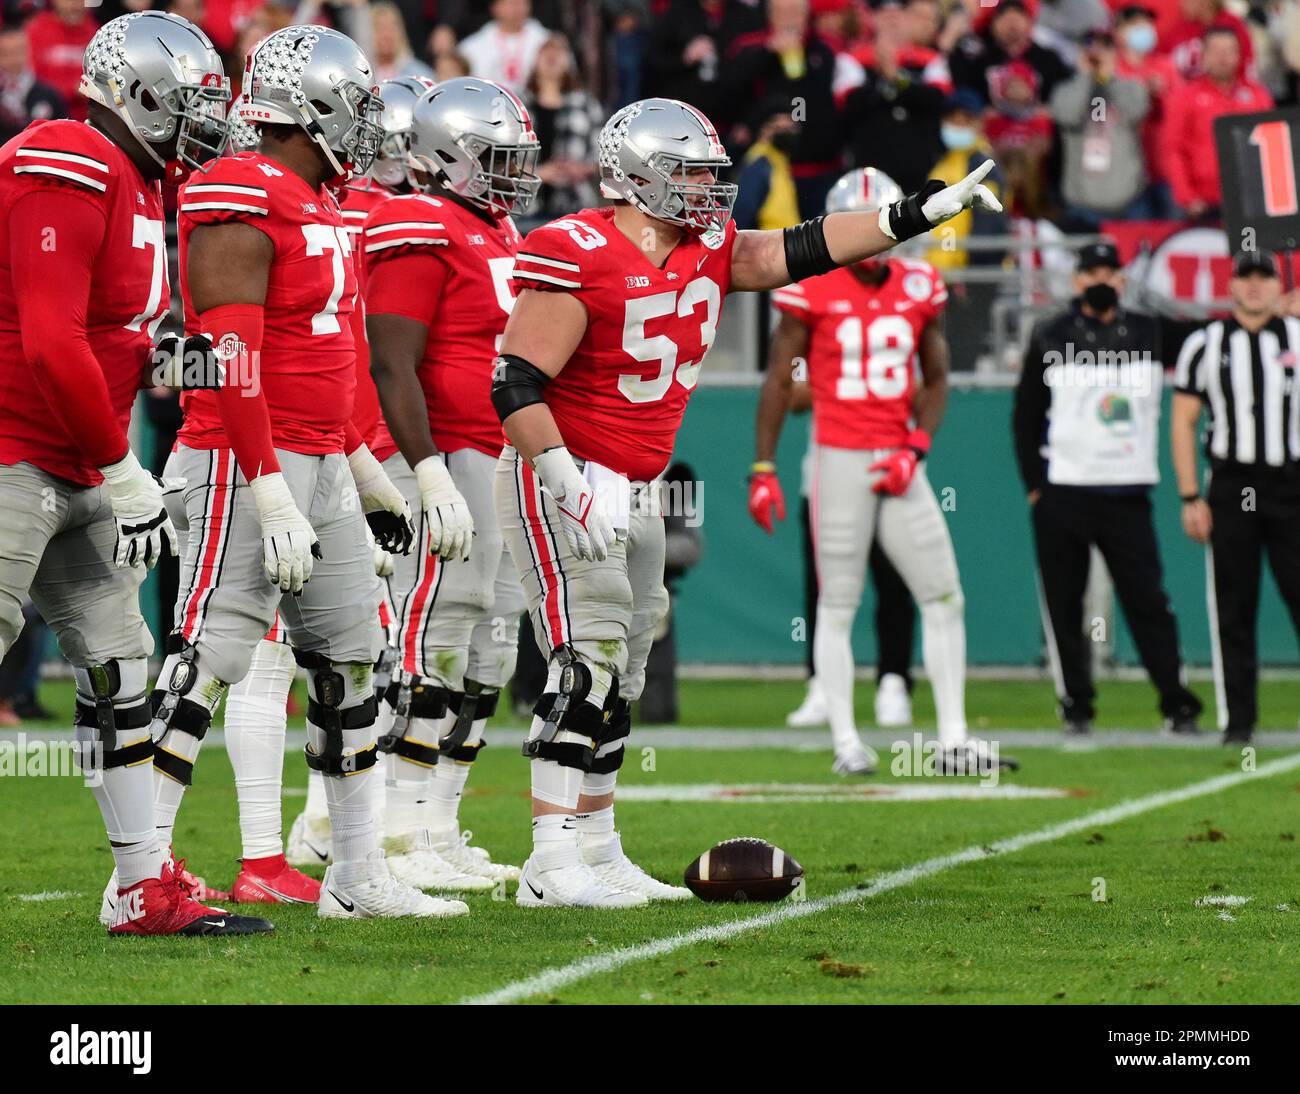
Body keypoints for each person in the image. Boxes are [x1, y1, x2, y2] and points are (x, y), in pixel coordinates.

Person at [495, 102, 999, 905]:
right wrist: (564, 478)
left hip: (636, 483)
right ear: (641, 174)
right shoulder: (575, 248)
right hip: (564, 473)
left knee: (625, 670)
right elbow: (514, 381)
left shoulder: (705, 248)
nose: (707, 190)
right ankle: (549, 863)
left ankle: (597, 846)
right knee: (586, 660)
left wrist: (915, 214)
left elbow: (805, 246)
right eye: (691, 172)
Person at [134, 24, 462, 923]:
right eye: (355, 107)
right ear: (310, 107)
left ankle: (355, 876)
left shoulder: (314, 198)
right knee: (209, 663)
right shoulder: (239, 187)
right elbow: (229, 352)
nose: (366, 128)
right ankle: (140, 874)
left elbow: (321, 358)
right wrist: (268, 483)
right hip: (242, 464)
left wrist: (363, 469)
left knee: (353, 664)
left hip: (318, 460)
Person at [0, 11, 272, 935]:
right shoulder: (65, 157)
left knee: (123, 672)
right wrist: (126, 469)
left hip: (79, 461)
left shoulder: (143, 183)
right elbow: (47, 338)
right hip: (13, 453)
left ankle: (139, 886)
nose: (206, 119)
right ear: (137, 94)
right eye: (192, 101)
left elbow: (133, 344)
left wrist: (223, 380)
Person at [749, 166, 1011, 775]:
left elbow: (939, 379)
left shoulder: (921, 284)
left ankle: (952, 738)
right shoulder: (811, 288)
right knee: (837, 603)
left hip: (898, 459)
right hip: (837, 457)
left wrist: (915, 448)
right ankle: (846, 740)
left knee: (944, 594)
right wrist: (763, 466)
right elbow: (775, 378)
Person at [365, 76, 538, 888]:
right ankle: (396, 829)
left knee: (491, 645)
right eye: (500, 157)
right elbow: (392, 361)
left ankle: (438, 824)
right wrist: (425, 468)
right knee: (435, 633)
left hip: (502, 452)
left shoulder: (497, 228)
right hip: (451, 450)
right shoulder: (416, 220)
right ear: (448, 157)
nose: (516, 173)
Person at [1014, 240, 1202, 737]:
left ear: (1122, 278)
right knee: (1064, 604)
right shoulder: (1051, 333)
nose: (1100, 280)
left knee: (1148, 602)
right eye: (1090, 271)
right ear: (1076, 280)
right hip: (1065, 491)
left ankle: (1177, 704)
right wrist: (1038, 488)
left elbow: (1207, 338)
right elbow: (1025, 417)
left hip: (1126, 491)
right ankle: (1076, 704)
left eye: (1108, 271)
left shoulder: (1149, 331)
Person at [1172, 250, 1300, 746]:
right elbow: (1183, 422)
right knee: (1234, 606)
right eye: (1245, 276)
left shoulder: (1294, 337)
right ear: (1231, 286)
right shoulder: (1206, 344)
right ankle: (1239, 722)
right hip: (1232, 486)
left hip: (1290, 485)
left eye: (1263, 277)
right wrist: (1189, 496)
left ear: (1276, 286)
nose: (1253, 286)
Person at [1163, 26, 1272, 221]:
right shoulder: (1185, 97)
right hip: (1204, 202)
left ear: (1239, 55)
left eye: (1229, 51)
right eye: (1216, 51)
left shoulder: (1258, 96)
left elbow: (1272, 149)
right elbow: (1174, 150)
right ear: (1203, 55)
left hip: (1251, 199)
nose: (1223, 58)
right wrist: (1187, 197)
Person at [1051, 30, 1149, 231]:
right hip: (1081, 203)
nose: (1097, 52)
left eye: (1105, 46)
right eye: (1090, 45)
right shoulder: (1065, 90)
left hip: (1128, 202)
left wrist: (1107, 77)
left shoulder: (1132, 87)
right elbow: (1066, 114)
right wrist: (1085, 76)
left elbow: (1135, 112)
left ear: (1115, 52)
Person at [522, 35, 602, 225]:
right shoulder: (518, 104)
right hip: (524, 208)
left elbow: (602, 155)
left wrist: (579, 169)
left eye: (559, 52)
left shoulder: (586, 104)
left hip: (574, 206)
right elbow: (502, 160)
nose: (553, 56)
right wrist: (539, 173)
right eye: (546, 51)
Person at [24, 0, 99, 121]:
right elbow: (30, 80)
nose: (74, 5)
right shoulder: (36, 30)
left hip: (88, 121)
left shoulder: (96, 32)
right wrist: (73, 90)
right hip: (47, 117)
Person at [457, 0, 550, 95]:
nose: (518, 8)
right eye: (512, 3)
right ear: (495, 8)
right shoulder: (471, 48)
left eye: (523, 2)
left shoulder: (547, 42)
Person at [0, 25, 64, 145]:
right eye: (6, 53)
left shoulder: (49, 95)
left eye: (19, 51)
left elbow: (62, 136)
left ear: (28, 51)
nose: (14, 58)